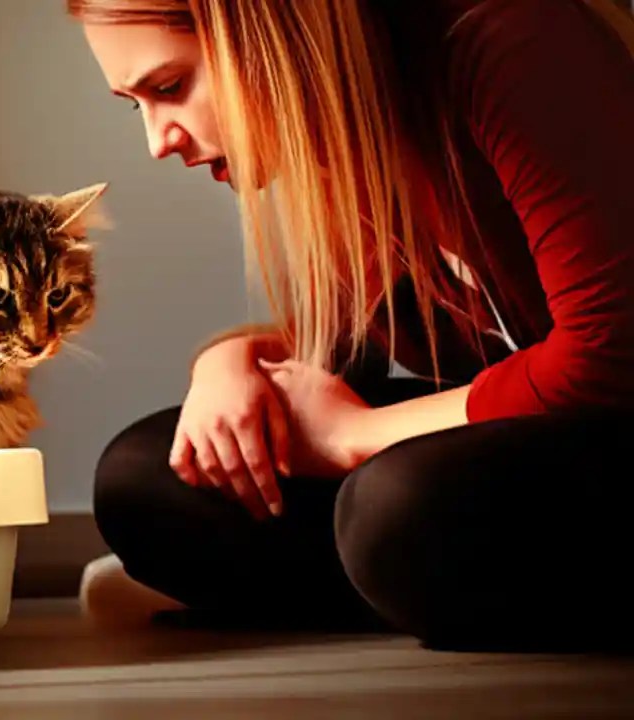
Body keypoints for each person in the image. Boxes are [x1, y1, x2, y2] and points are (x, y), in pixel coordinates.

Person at [66, 0, 634, 652]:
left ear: (274, 31)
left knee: (397, 507)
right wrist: (226, 367)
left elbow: (609, 355)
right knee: (146, 476)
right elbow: (346, 347)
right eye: (134, 104)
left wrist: (357, 435)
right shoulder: (360, 134)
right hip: (555, 432)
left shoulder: (513, 39)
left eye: (170, 88)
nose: (157, 140)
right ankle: (406, 584)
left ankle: (321, 583)